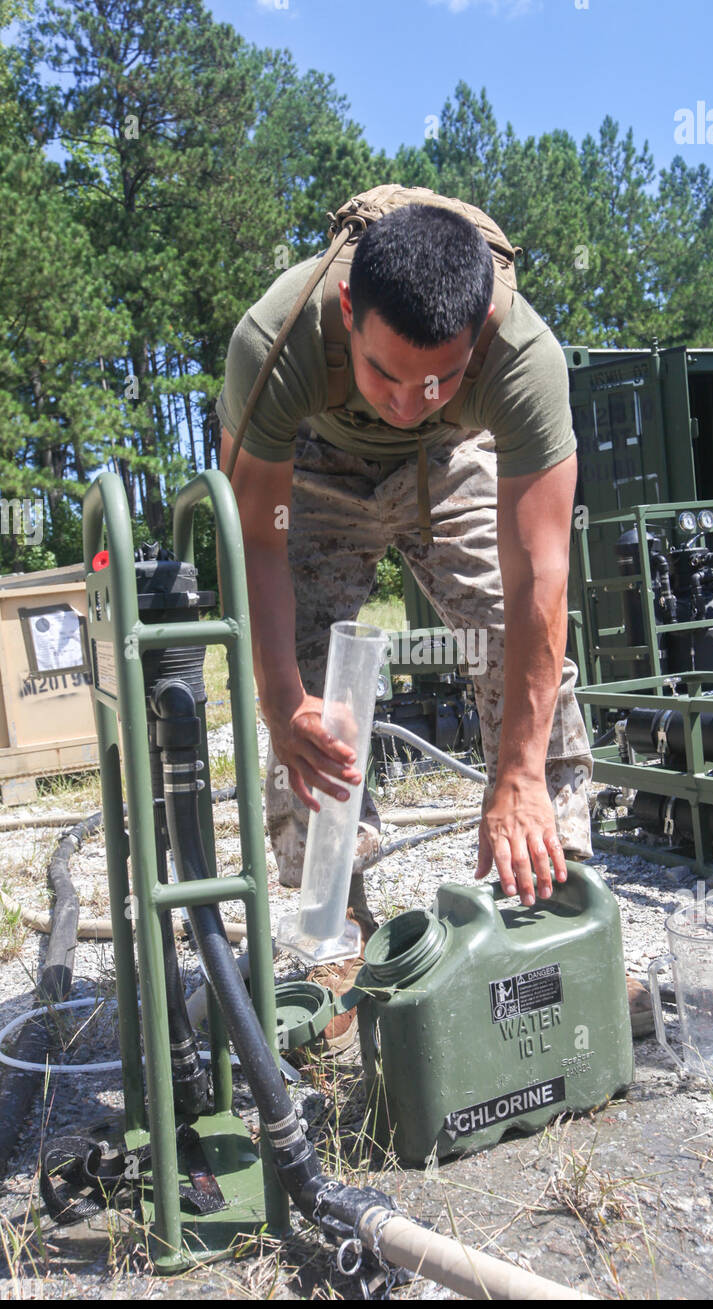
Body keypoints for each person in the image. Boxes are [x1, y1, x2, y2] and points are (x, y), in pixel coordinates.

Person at [217, 195, 653, 1050]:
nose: (409, 401)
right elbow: (256, 547)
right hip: (313, 468)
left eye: (441, 379)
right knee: (306, 683)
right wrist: (279, 701)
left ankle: (559, 915)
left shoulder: (524, 356)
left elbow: (541, 576)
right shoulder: (274, 341)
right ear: (349, 313)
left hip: (452, 467)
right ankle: (336, 947)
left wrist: (520, 770)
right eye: (384, 374)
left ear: (482, 330)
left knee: (514, 640)